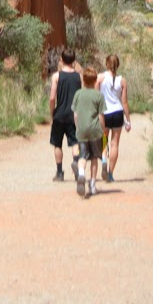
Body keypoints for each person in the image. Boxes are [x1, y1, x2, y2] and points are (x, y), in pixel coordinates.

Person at [49, 48, 82, 181]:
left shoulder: (57, 76)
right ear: (74, 61)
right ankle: (75, 163)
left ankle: (59, 172)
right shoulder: (79, 77)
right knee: (75, 142)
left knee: (57, 144)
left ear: (61, 60)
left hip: (60, 114)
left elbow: (52, 98)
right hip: (74, 114)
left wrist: (52, 113)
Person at [72, 67, 105, 197]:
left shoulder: (78, 94)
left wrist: (78, 127)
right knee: (95, 158)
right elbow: (101, 115)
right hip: (95, 130)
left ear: (83, 80)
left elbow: (75, 115)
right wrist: (102, 129)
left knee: (83, 156)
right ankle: (92, 185)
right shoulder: (99, 95)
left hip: (82, 130)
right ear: (95, 80)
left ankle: (81, 174)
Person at [99, 53, 131, 182]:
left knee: (104, 140)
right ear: (118, 65)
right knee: (115, 144)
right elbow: (124, 102)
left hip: (104, 112)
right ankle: (110, 174)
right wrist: (128, 120)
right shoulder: (122, 81)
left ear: (106, 64)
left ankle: (104, 159)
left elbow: (96, 96)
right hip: (117, 112)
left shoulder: (100, 78)